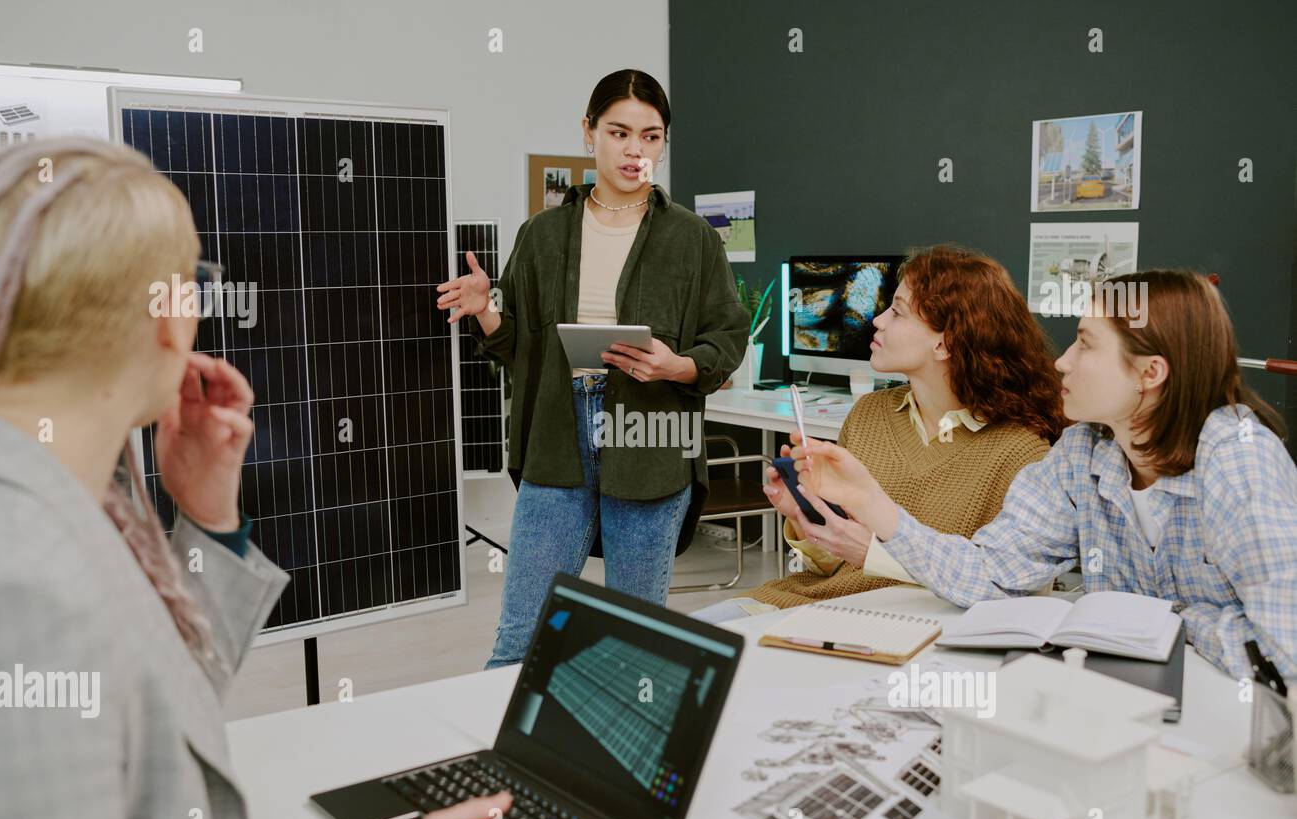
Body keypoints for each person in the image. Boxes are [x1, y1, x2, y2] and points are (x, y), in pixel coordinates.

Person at [0, 138, 570, 819]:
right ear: (165, 318)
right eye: (192, 285)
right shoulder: (25, 588)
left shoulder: (77, 491)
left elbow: (158, 706)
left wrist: (207, 519)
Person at [791, 269, 1297, 680]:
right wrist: (876, 507)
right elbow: (992, 574)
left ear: (1150, 373)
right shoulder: (1083, 452)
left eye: (1086, 344)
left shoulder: (1238, 462)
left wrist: (1171, 622)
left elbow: (1284, 651)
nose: (1061, 361)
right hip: (1131, 698)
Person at [437, 70, 747, 668]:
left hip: (653, 436)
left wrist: (678, 366)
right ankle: (501, 760)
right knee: (522, 639)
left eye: (651, 137)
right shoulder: (542, 235)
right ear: (589, 133)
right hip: (558, 435)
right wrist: (486, 311)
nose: (636, 151)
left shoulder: (692, 240)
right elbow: (519, 354)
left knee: (635, 641)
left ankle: (624, 754)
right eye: (619, 132)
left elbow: (726, 337)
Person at [692, 246, 1066, 624]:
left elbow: (1003, 592)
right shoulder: (870, 414)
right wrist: (807, 518)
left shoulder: (1020, 453)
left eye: (898, 312)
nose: (878, 321)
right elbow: (831, 569)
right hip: (806, 604)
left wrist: (871, 550)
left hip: (908, 627)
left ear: (944, 342)